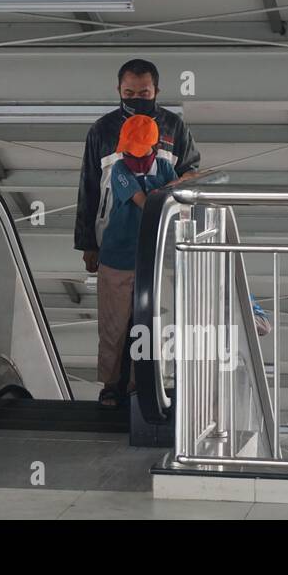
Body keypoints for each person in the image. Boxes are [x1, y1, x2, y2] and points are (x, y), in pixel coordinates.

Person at [75, 59, 201, 407]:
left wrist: (178, 183)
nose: (136, 98)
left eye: (143, 93)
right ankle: (111, 387)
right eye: (129, 93)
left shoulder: (174, 127)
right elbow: (87, 187)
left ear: (156, 91)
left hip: (163, 247)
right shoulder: (102, 130)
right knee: (114, 321)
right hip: (113, 245)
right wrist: (87, 244)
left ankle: (141, 386)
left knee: (152, 320)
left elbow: (194, 171)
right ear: (119, 91)